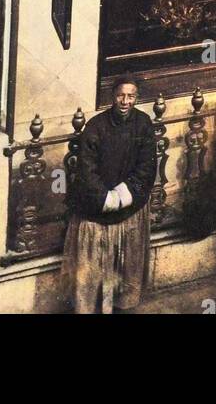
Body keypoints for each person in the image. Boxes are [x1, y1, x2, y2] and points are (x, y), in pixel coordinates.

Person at [62, 80, 157, 313]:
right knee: (93, 269)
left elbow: (146, 166)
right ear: (112, 97)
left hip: (129, 205)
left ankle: (121, 304)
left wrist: (124, 194)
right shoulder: (96, 127)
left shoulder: (143, 124)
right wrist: (107, 198)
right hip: (99, 208)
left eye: (131, 97)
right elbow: (87, 169)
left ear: (136, 98)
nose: (125, 102)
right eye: (120, 96)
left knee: (125, 269)